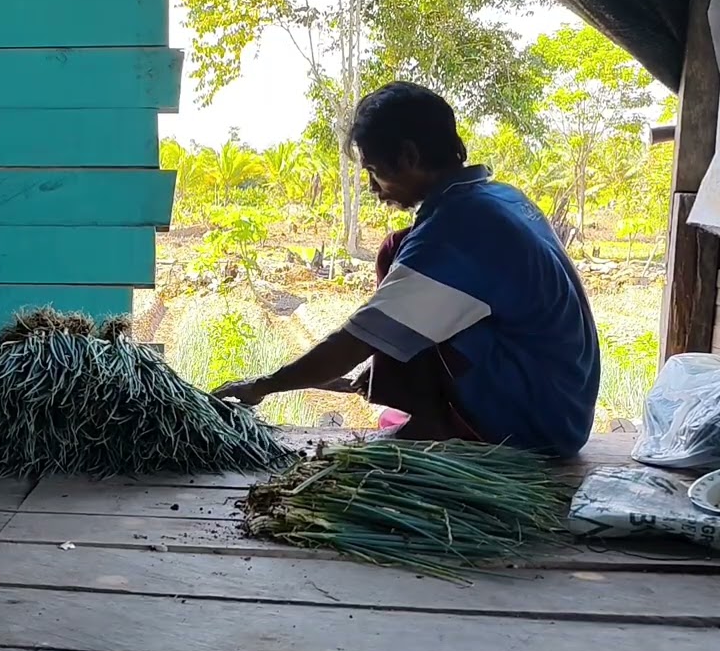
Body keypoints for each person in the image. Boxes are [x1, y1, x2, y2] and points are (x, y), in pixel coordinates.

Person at [214, 82, 600, 458]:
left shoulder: (457, 231)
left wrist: (264, 385)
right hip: (564, 404)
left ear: (409, 156)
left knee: (403, 283)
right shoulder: (498, 197)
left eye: (374, 170)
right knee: (396, 248)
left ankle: (432, 424)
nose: (372, 187)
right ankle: (427, 410)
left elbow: (358, 338)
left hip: (539, 428)